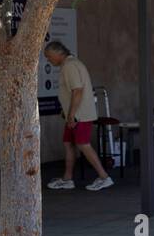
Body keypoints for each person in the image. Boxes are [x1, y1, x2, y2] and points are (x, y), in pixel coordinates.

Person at [43, 41, 113, 191]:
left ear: (58, 53)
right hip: (73, 114)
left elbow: (78, 91)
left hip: (79, 115)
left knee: (83, 144)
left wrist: (72, 115)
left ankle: (104, 177)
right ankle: (67, 179)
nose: (48, 60)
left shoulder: (70, 66)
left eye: (49, 56)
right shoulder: (70, 64)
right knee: (68, 143)